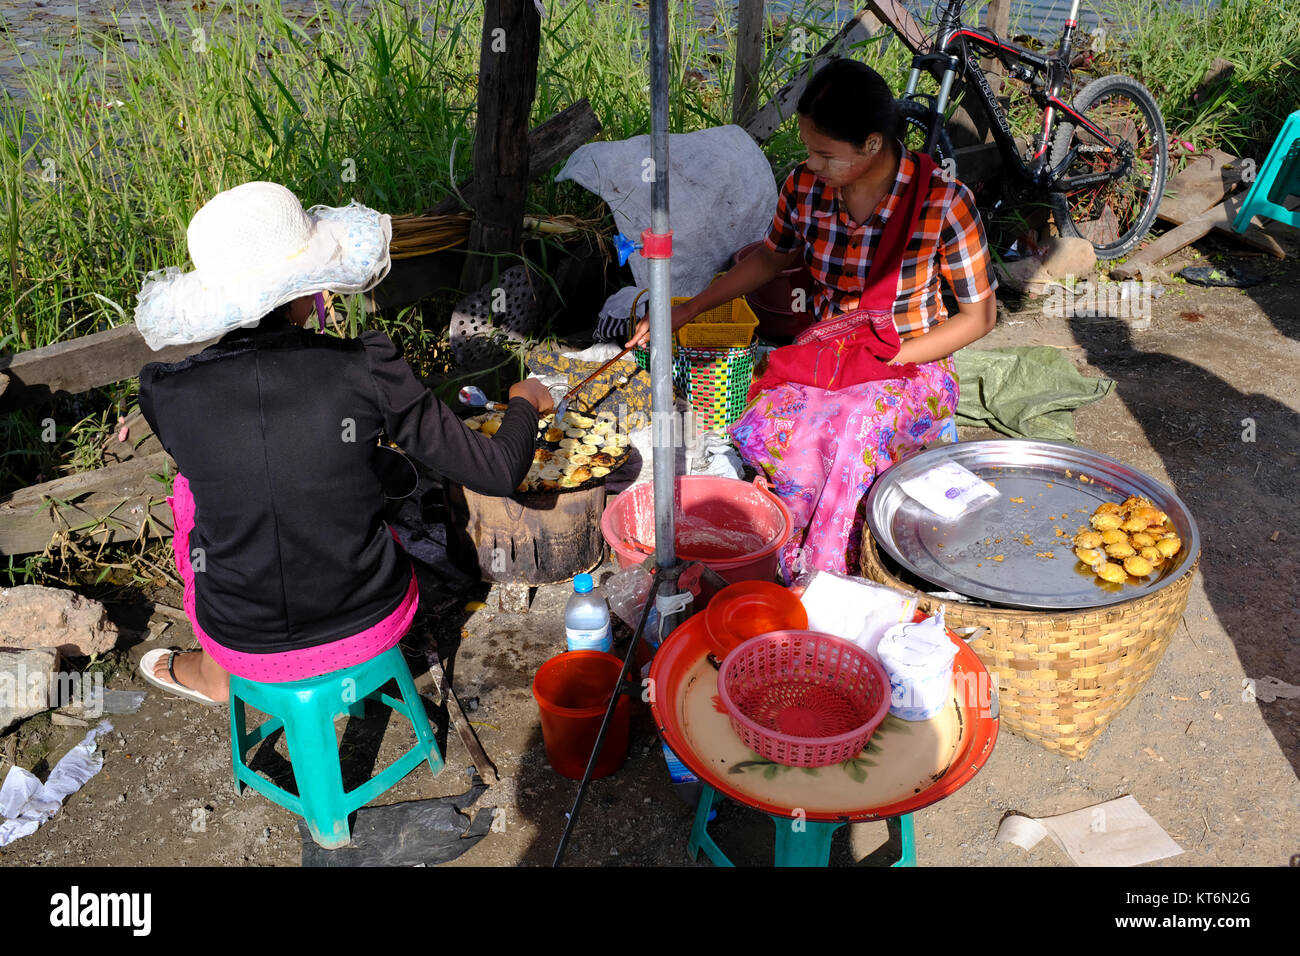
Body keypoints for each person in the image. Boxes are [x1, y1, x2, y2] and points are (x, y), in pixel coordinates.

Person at [133, 181, 552, 704]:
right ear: (308, 285)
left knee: (193, 490)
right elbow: (496, 471)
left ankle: (217, 674)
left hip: (242, 639)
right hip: (371, 623)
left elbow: (250, 473)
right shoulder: (365, 365)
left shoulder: (166, 390)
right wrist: (524, 402)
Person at [629, 59, 997, 579]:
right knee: (775, 421)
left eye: (825, 153)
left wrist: (899, 354)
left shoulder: (943, 204)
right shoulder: (806, 187)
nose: (811, 162)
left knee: (850, 432)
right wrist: (685, 309)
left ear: (872, 144)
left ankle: (824, 573)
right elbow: (770, 257)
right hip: (830, 357)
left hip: (912, 364)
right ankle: (784, 545)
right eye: (809, 149)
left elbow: (979, 316)